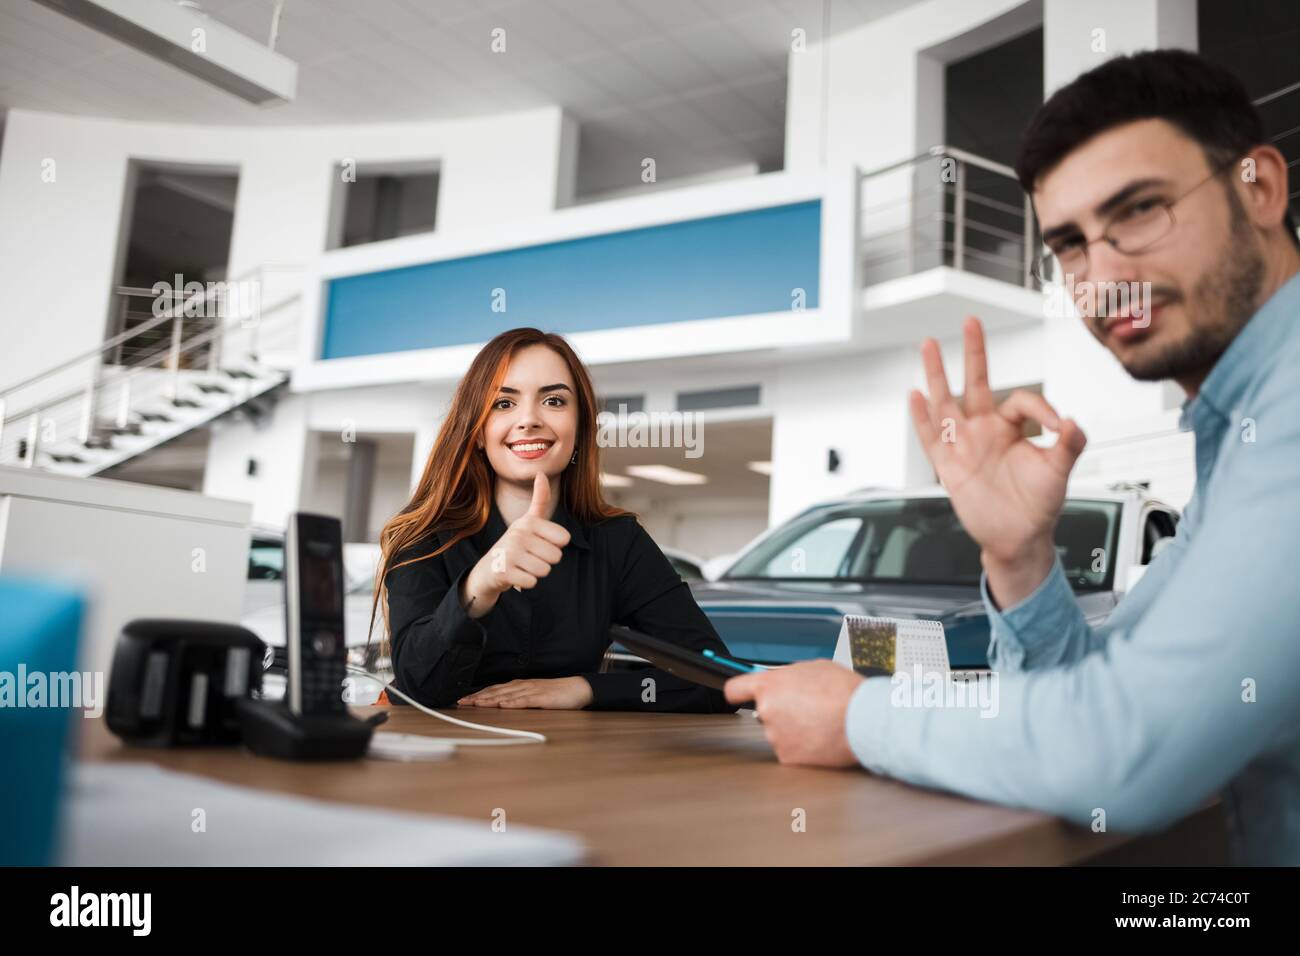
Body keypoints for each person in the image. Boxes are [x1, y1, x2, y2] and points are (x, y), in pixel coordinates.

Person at [725, 49, 1300, 865]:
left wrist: (856, 716)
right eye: (1070, 246)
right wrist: (1020, 556)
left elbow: (1121, 750)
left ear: (1261, 188)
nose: (1104, 280)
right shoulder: (1240, 439)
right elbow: (1096, 691)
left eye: (1138, 211)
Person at [368, 327, 738, 714]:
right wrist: (480, 585)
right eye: (504, 404)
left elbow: (720, 679)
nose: (528, 420)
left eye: (554, 400)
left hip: (560, 758)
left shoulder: (618, 542)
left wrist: (584, 689)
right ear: (477, 432)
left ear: (579, 429)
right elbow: (418, 686)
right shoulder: (422, 535)